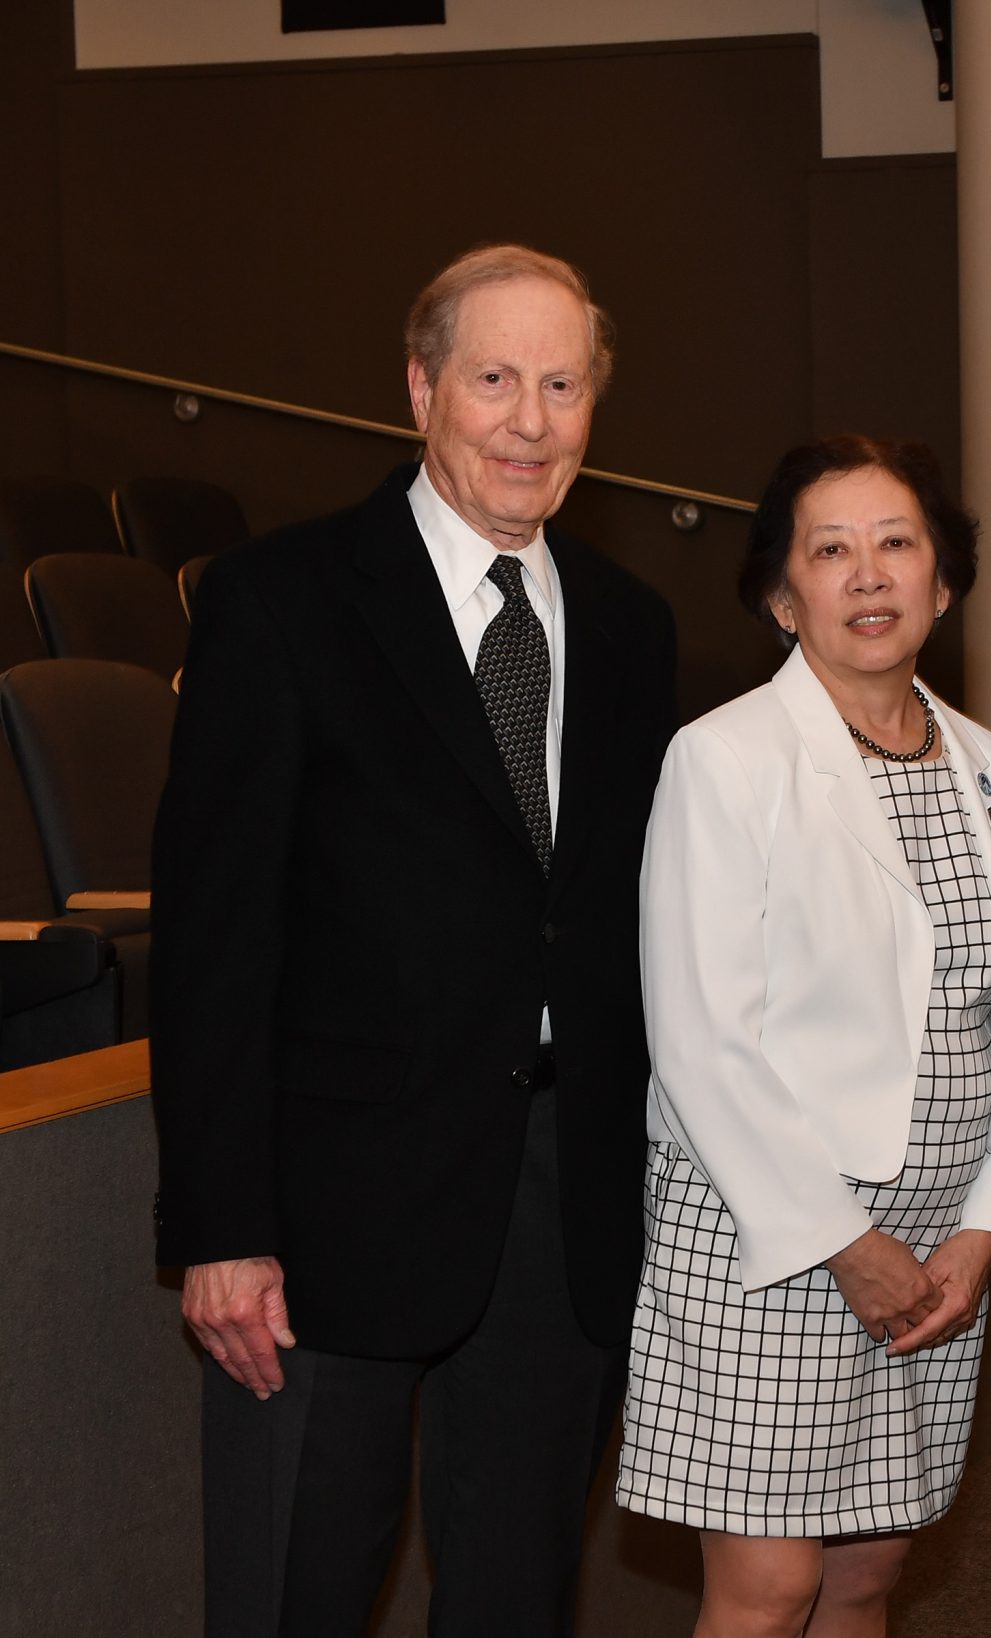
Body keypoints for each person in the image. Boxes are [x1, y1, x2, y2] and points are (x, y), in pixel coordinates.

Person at [151, 244, 678, 1635]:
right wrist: (221, 1226)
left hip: (558, 1208)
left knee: (515, 1599)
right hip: (324, 1214)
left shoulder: (632, 630)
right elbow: (215, 940)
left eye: (563, 385)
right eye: (495, 377)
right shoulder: (281, 603)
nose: (529, 419)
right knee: (295, 1596)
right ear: (420, 389)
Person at [617, 435, 991, 1637]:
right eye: (831, 551)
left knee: (867, 1578)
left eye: (897, 545)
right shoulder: (721, 760)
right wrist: (843, 1240)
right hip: (772, 1237)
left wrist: (989, 1221)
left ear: (944, 580)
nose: (868, 578)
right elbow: (701, 1037)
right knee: (767, 1590)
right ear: (780, 593)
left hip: (935, 1247)